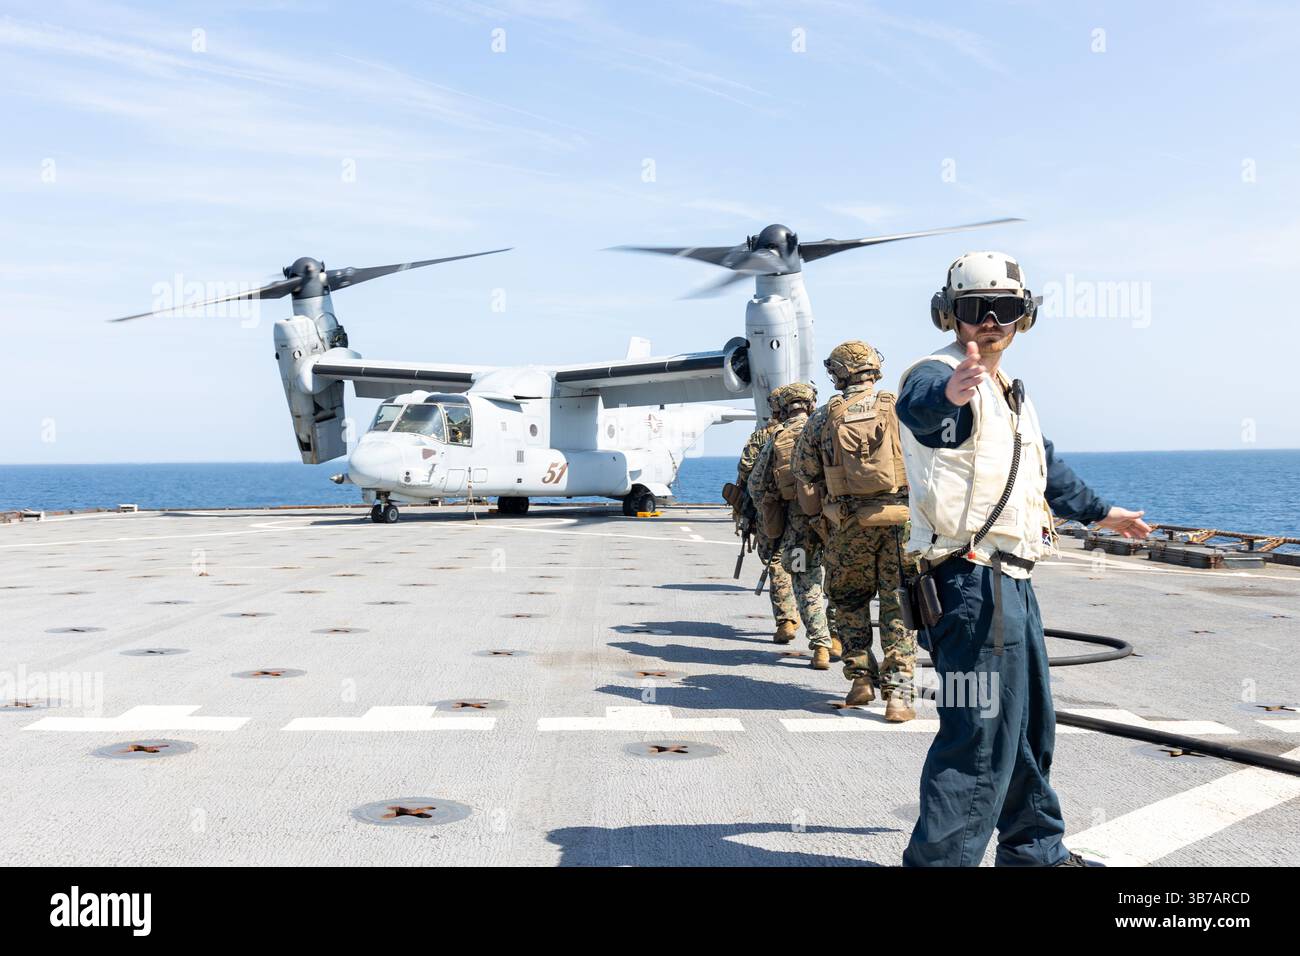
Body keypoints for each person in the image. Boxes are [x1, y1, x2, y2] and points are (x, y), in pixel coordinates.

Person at [896, 251, 1150, 867]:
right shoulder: (936, 375)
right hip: (967, 583)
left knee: (1030, 725)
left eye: (1004, 309)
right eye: (974, 310)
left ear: (1025, 316)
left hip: (1011, 580)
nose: (990, 322)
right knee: (978, 734)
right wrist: (951, 394)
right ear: (949, 316)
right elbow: (925, 412)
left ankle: (1035, 851)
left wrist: (1101, 512)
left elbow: (1045, 467)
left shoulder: (1012, 395)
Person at [793, 340, 916, 720]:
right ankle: (898, 696)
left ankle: (861, 679)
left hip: (847, 524)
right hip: (900, 523)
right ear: (873, 368)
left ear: (839, 373)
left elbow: (805, 474)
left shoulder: (821, 418)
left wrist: (822, 518)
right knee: (899, 605)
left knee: (848, 602)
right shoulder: (898, 407)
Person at [748, 382, 835, 669]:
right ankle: (838, 638)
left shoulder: (778, 437)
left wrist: (775, 510)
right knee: (840, 580)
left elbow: (756, 484)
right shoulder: (829, 425)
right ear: (810, 404)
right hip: (838, 518)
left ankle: (820, 646)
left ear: (781, 409)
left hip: (799, 524)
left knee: (805, 581)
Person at [735, 389, 800, 643]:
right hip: (808, 510)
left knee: (776, 561)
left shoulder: (763, 436)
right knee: (807, 564)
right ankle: (826, 634)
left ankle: (786, 620)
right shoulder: (812, 428)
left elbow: (746, 470)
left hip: (771, 512)